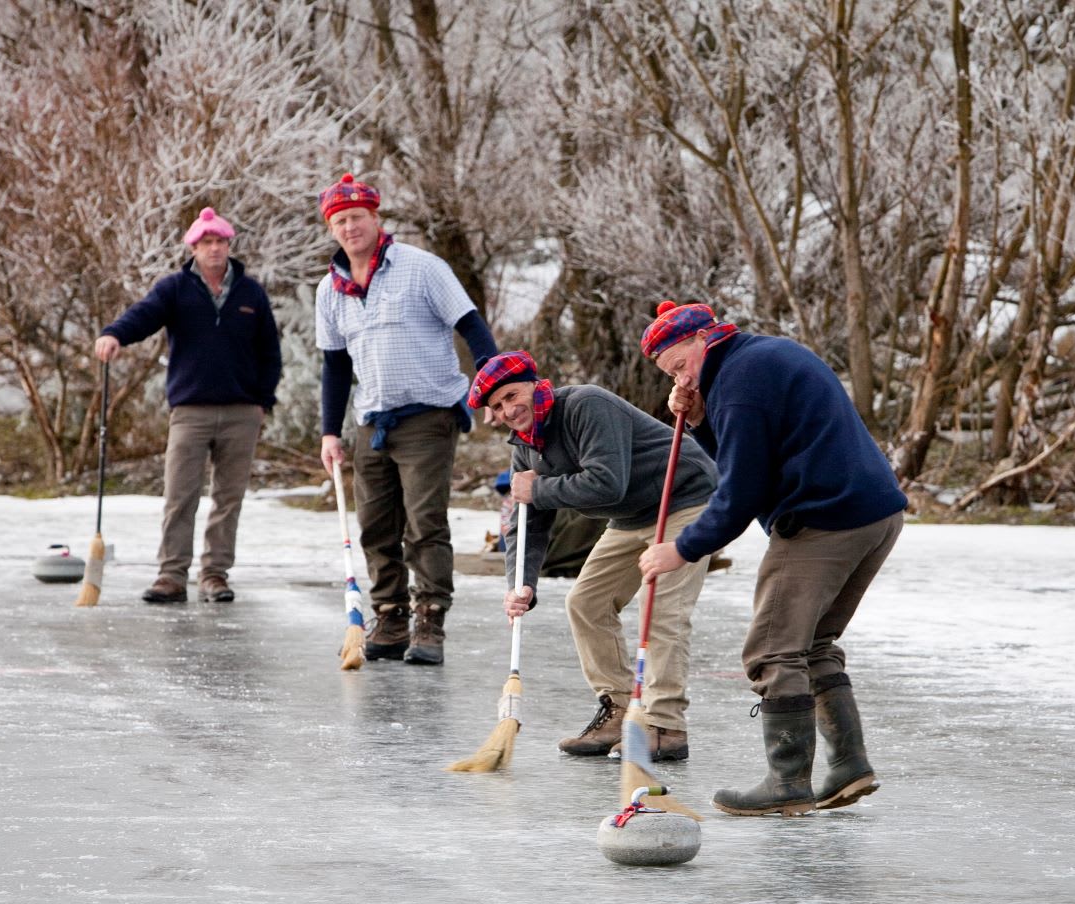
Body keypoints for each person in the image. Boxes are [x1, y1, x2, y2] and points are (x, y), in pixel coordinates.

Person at [636, 300, 907, 816]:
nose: (680, 378)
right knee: (813, 643)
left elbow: (740, 491)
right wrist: (697, 416)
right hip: (875, 513)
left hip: (825, 519)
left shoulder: (739, 384)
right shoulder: (757, 359)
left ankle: (786, 784)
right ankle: (850, 766)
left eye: (679, 366)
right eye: (671, 374)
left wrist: (682, 548)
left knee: (772, 650)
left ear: (702, 340)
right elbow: (747, 457)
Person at [469, 351, 718, 761]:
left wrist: (539, 489)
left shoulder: (586, 404)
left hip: (683, 499)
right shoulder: (526, 447)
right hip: (631, 515)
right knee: (586, 603)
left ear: (533, 384)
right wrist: (521, 584)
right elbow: (526, 522)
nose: (509, 409)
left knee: (663, 612)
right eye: (497, 406)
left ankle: (665, 726)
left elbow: (607, 484)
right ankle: (620, 708)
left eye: (512, 395)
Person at [314, 173, 497, 665]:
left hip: (428, 413)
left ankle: (430, 619)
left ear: (375, 219)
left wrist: (497, 382)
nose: (350, 227)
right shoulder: (329, 290)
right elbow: (335, 366)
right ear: (331, 229)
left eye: (357, 217)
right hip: (370, 419)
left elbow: (470, 325)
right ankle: (390, 615)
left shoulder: (421, 268)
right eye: (340, 221)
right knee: (375, 524)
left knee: (424, 523)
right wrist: (330, 431)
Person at [94, 207, 281, 604]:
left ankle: (215, 574)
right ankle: (172, 575)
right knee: (181, 494)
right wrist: (114, 335)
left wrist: (262, 400)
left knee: (228, 498)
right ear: (194, 248)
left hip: (242, 411)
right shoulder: (175, 289)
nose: (214, 249)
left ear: (229, 246)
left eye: (220, 242)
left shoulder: (251, 292)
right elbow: (142, 316)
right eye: (206, 243)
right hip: (190, 411)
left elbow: (270, 352)